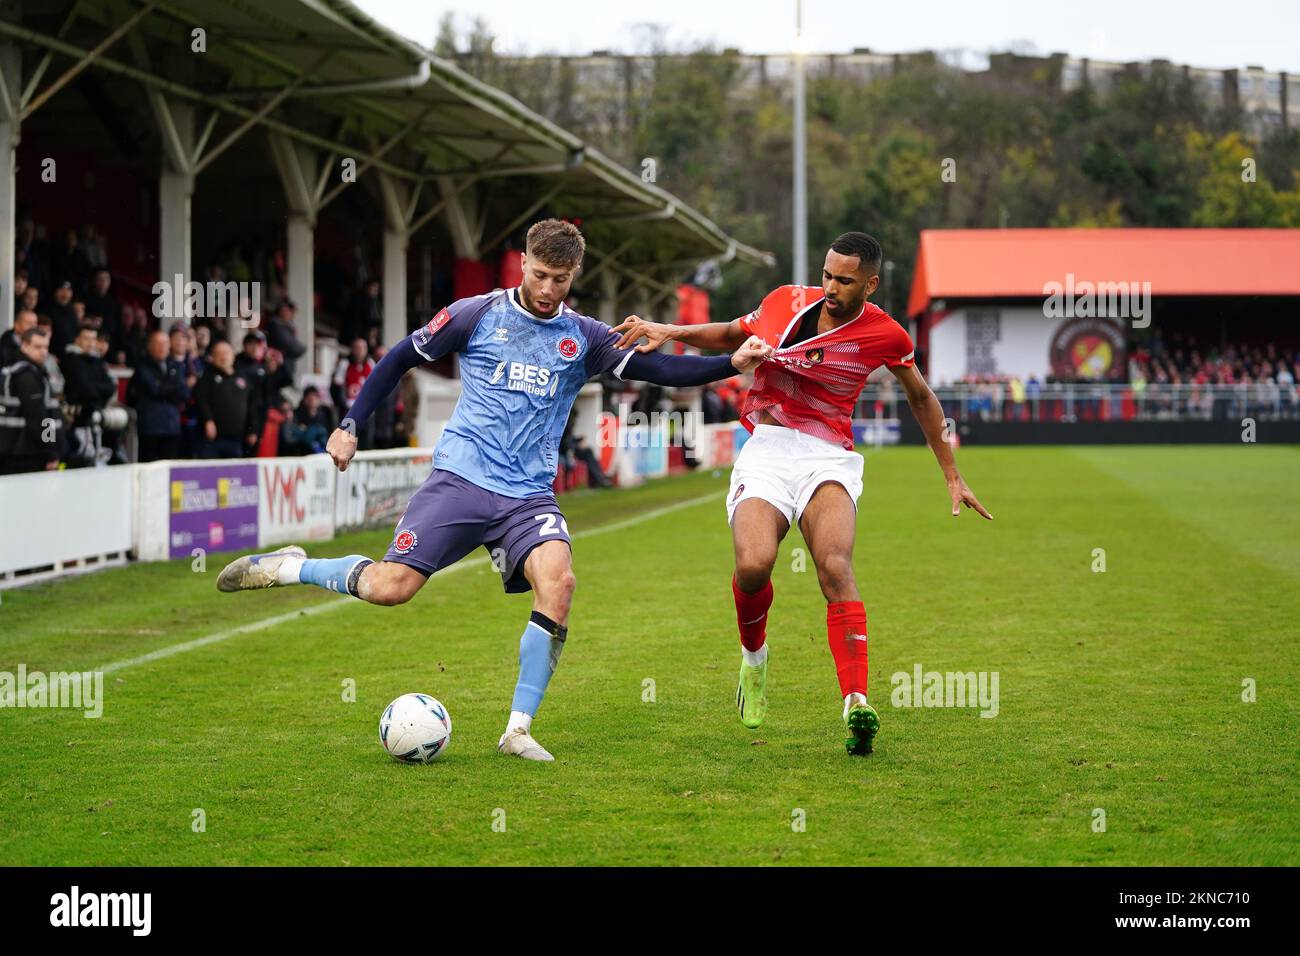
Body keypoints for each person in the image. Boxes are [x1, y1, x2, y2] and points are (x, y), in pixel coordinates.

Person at [216, 218, 773, 762]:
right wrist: (351, 422)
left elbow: (665, 371)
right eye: (540, 275)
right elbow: (398, 359)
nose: (549, 289)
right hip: (460, 480)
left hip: (527, 498)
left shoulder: (584, 337)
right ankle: (290, 566)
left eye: (561, 279)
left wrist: (730, 363)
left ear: (574, 274)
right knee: (391, 588)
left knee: (559, 583)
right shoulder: (474, 314)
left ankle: (517, 730)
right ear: (523, 263)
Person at [613, 232, 992, 756]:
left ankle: (856, 701)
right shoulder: (784, 301)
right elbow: (728, 333)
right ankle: (754, 659)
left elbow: (922, 397)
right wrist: (670, 329)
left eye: (844, 280)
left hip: (827, 457)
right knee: (753, 565)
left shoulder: (886, 333)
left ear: (871, 283)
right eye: (827, 274)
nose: (830, 286)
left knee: (835, 565)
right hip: (766, 447)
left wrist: (951, 473)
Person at [0, 326, 63, 474]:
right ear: (25, 345)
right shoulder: (26, 375)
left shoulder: (16, 368)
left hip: (14, 449)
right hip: (26, 453)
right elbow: (38, 417)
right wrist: (50, 452)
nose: (43, 351)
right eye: (37, 347)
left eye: (46, 347)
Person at [61, 323, 118, 467]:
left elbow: (110, 387)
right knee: (79, 460)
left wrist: (94, 387)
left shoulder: (97, 360)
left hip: (96, 419)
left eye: (93, 339)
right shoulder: (71, 359)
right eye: (86, 338)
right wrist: (98, 390)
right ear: (77, 339)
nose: (90, 343)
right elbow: (84, 389)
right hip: (76, 421)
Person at [131, 329, 190, 462]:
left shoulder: (176, 365)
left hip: (172, 427)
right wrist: (172, 386)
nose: (162, 347)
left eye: (165, 343)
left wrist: (165, 386)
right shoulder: (142, 366)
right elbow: (155, 389)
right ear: (150, 346)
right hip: (151, 428)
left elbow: (184, 392)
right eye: (158, 343)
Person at [194, 340, 259, 458]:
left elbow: (251, 406)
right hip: (213, 440)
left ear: (233, 355)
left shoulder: (243, 378)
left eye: (226, 353)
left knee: (234, 473)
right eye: (219, 353)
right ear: (212, 357)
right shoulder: (206, 377)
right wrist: (208, 420)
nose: (223, 356)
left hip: (237, 438)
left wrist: (253, 430)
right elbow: (201, 400)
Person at [266, 299, 307, 381]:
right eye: (285, 310)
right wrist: (303, 349)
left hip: (286, 365)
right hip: (279, 366)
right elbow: (293, 347)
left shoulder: (289, 325)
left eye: (290, 311)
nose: (288, 313)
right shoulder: (276, 324)